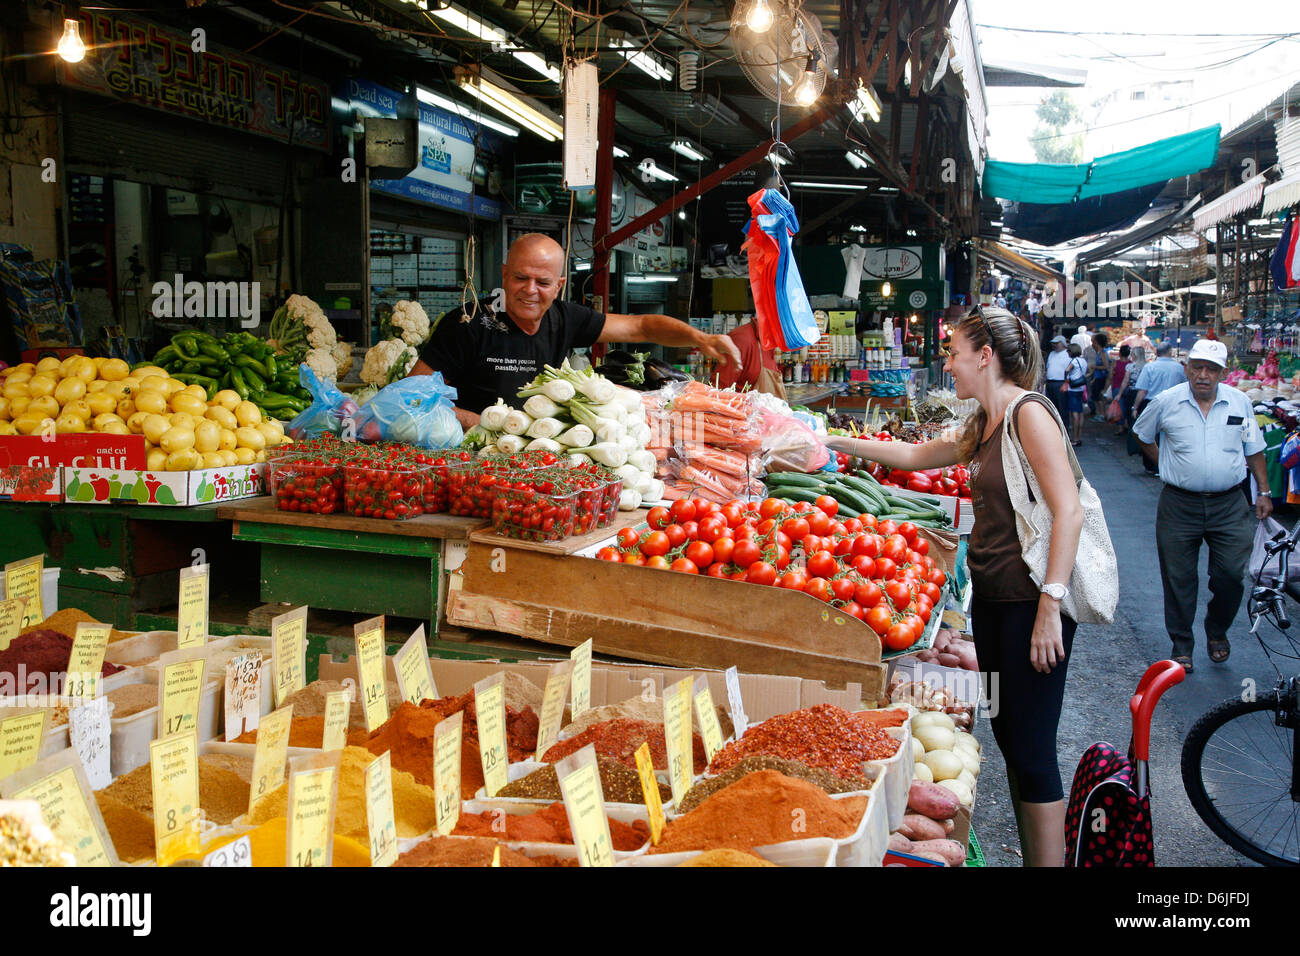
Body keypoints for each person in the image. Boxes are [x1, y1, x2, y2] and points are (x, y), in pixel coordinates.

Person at [824, 305, 1084, 867]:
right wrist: (836, 442)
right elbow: (916, 455)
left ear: (984, 357)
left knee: (1034, 750)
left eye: (954, 353)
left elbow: (1070, 512)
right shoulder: (984, 422)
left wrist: (1050, 608)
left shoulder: (1029, 413)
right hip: (994, 603)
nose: (948, 364)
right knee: (1013, 742)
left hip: (1030, 607)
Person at [411, 233, 741, 426]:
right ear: (503, 274)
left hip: (535, 456)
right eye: (520, 278)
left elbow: (642, 325)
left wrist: (700, 337)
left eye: (542, 282)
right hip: (471, 455)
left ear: (559, 286)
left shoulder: (564, 318)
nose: (530, 290)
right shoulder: (468, 323)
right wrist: (484, 424)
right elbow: (413, 394)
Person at [1132, 338, 1272, 673]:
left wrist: (1264, 491)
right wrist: (1164, 463)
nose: (1203, 376)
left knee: (1231, 576)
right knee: (1178, 577)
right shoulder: (1167, 402)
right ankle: (1182, 645)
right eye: (1197, 368)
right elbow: (1141, 433)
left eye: (1211, 369)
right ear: (1187, 369)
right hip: (1179, 503)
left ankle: (1216, 629)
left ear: (1223, 373)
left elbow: (1254, 448)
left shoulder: (1240, 403)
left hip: (1229, 504)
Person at [713, 317, 786, 397]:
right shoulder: (741, 340)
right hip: (742, 408)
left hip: (767, 408)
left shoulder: (772, 340)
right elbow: (717, 390)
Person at [1133, 339, 1187, 417]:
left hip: (1152, 405)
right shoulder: (1179, 368)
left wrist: (1135, 408)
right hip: (1173, 406)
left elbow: (1142, 391)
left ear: (1156, 353)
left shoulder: (1149, 367)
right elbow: (1185, 388)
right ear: (1170, 352)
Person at [1063, 343, 1089, 445]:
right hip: (1081, 388)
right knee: (1080, 412)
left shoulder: (1074, 361)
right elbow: (1089, 371)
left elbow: (1067, 370)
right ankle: (1079, 436)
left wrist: (1066, 377)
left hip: (1073, 389)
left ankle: (1075, 438)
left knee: (1074, 413)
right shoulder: (1083, 361)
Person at [1044, 334, 1070, 423]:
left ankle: (1064, 425)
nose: (1054, 345)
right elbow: (1048, 368)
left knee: (1062, 406)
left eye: (1056, 343)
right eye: (1053, 343)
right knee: (1051, 406)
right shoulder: (1051, 354)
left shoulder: (1068, 354)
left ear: (1062, 343)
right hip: (1050, 382)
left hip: (1061, 383)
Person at [1087, 333, 1111, 421]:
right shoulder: (1099, 353)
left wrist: (1094, 367)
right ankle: (1099, 414)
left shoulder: (1102, 353)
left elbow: (1106, 366)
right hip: (1097, 378)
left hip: (1101, 378)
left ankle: (1101, 414)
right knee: (1096, 397)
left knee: (1099, 397)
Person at [1109, 344, 1131, 434]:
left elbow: (1110, 375)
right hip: (1128, 388)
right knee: (1126, 407)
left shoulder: (1115, 363)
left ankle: (1120, 428)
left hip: (1117, 387)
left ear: (1120, 353)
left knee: (1119, 407)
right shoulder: (1131, 364)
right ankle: (1126, 424)